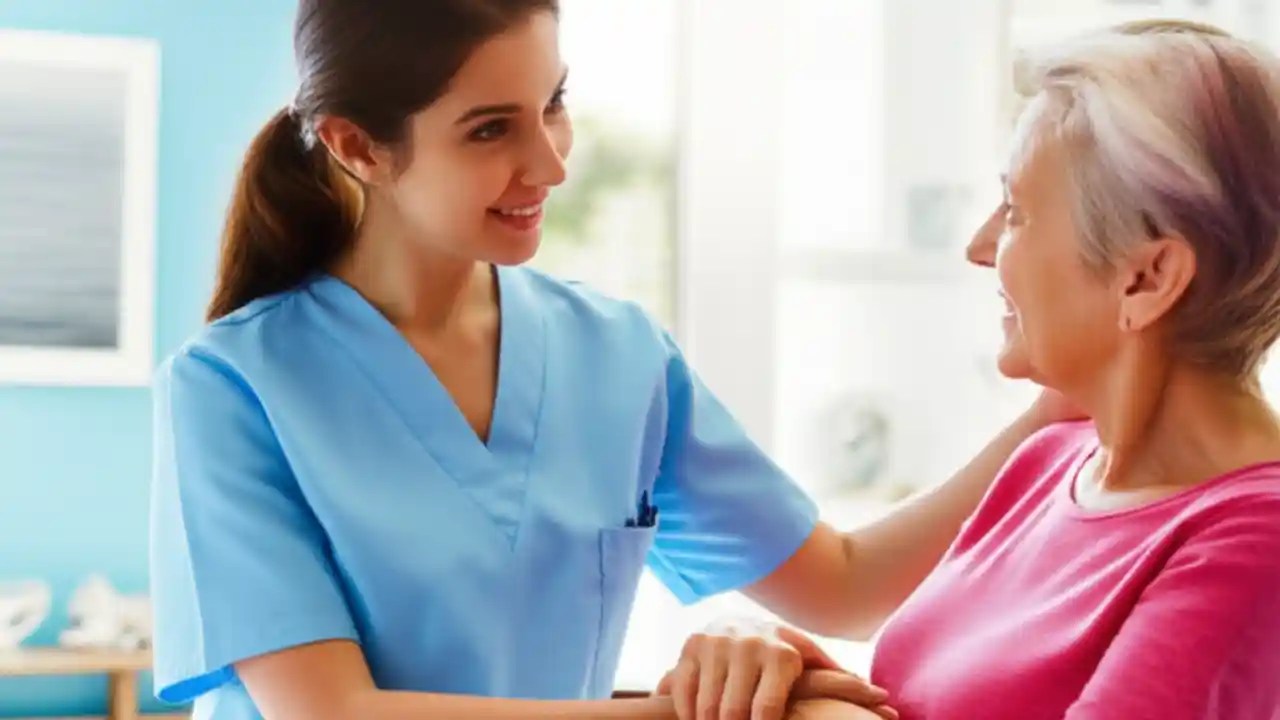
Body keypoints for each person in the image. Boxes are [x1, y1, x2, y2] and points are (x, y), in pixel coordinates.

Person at [147, 2, 1079, 719]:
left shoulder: (618, 356)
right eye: (490, 129)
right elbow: (331, 711)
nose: (550, 164)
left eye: (553, 104)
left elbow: (843, 586)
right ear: (359, 148)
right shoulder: (231, 388)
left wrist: (1057, 408)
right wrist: (690, 707)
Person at [678, 19, 1280, 720]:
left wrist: (817, 714)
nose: (979, 246)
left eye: (1018, 213)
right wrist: (775, 670)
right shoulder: (1048, 463)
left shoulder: (1255, 538)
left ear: (1147, 276)